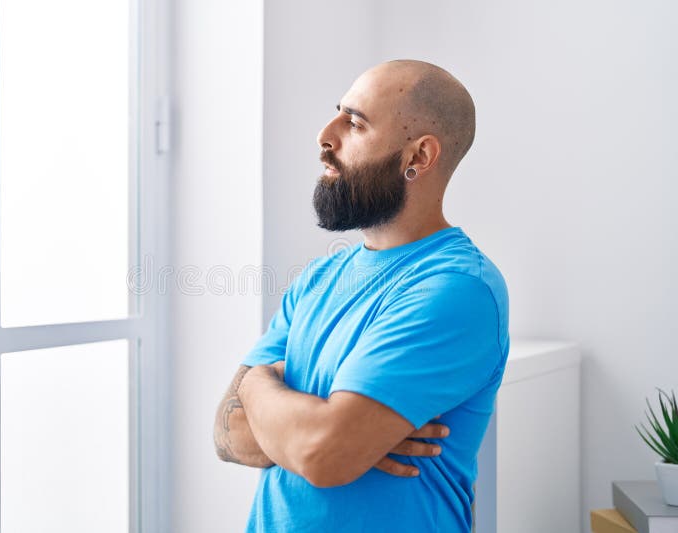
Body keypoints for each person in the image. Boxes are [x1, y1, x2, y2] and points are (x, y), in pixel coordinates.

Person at [213, 59, 510, 533]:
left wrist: (254, 386)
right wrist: (324, 429)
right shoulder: (320, 277)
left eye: (354, 123)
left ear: (418, 157)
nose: (325, 137)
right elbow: (228, 435)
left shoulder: (458, 288)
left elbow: (322, 454)